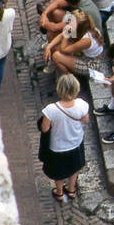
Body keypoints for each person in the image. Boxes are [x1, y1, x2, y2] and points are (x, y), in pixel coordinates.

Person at [39, 74, 90, 203]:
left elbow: (44, 129)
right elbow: (85, 120)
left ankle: (59, 192)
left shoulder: (51, 110)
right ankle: (71, 190)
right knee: (74, 167)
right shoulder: (82, 104)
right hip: (76, 142)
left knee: (58, 172)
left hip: (58, 147)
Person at [44, 12, 105, 78]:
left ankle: (70, 79)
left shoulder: (86, 40)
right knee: (52, 39)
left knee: (56, 56)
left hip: (90, 63)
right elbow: (62, 35)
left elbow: (63, 49)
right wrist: (49, 46)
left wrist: (67, 33)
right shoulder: (85, 28)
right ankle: (55, 63)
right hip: (84, 53)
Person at [39, 0, 103, 39]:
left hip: (90, 34)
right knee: (54, 13)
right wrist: (44, 14)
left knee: (51, 34)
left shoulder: (79, 14)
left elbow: (55, 27)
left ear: (67, 1)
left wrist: (44, 23)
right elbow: (57, 3)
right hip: (85, 26)